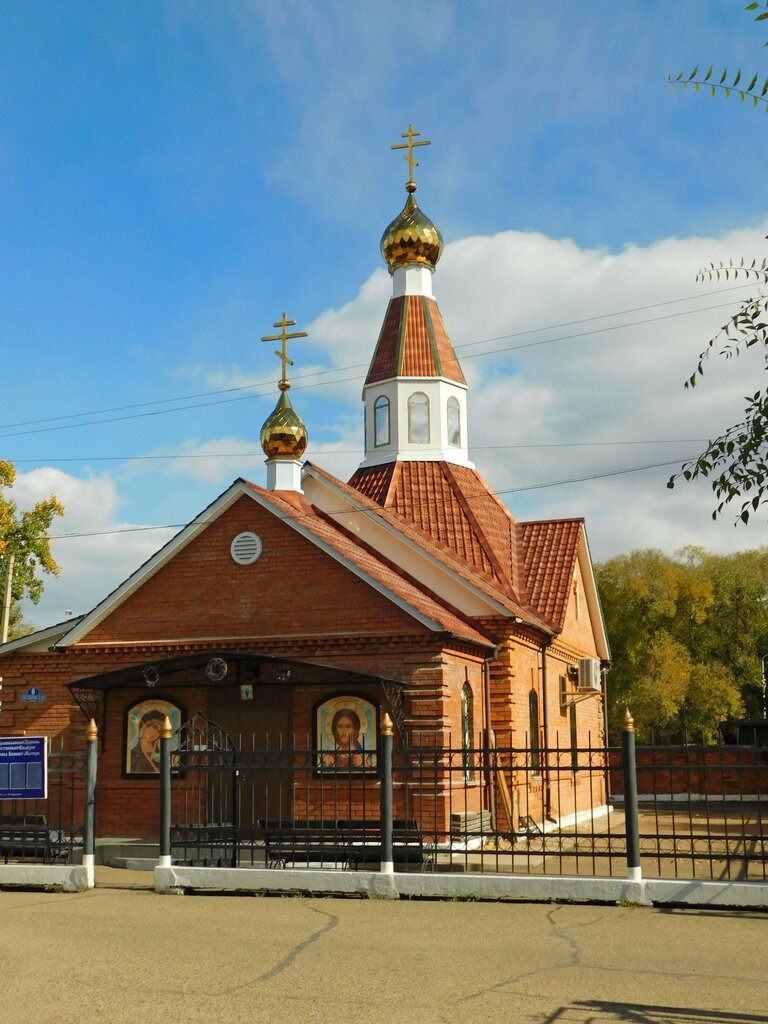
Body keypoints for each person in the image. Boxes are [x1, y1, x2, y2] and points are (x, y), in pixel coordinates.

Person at [128, 709, 165, 773]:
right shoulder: (131, 754)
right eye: (154, 727)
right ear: (144, 726)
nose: (156, 733)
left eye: (159, 731)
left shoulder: (161, 756)